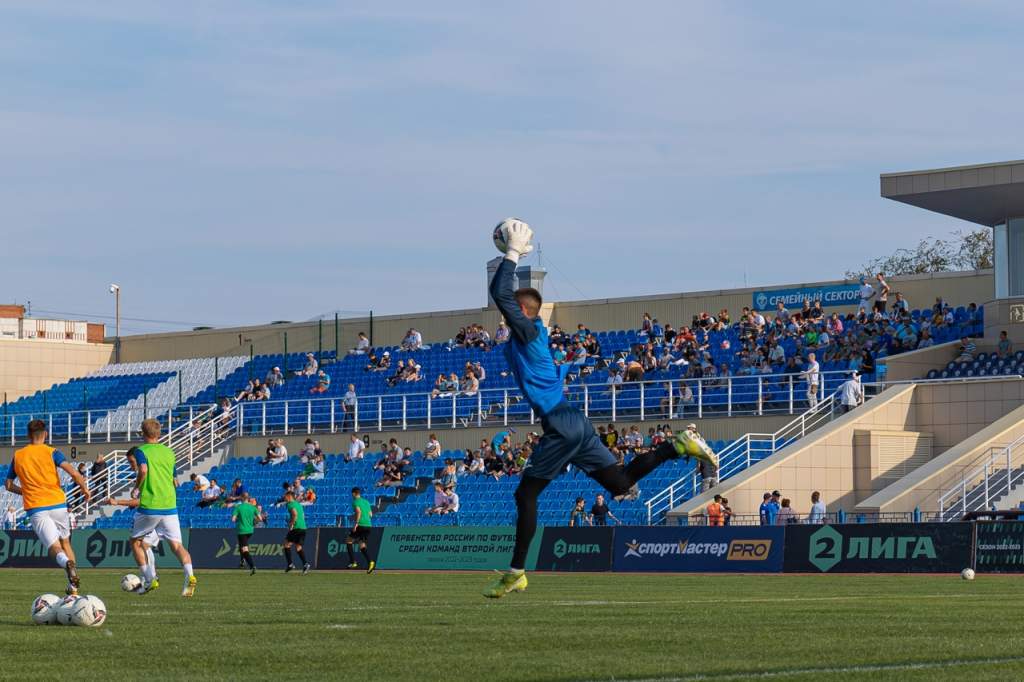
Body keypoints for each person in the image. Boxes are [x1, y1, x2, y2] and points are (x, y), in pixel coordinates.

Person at [482, 220, 715, 599]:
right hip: (573, 420)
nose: (504, 317)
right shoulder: (529, 337)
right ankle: (676, 447)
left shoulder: (529, 331)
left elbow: (500, 295)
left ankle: (516, 572)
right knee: (620, 483)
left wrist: (510, 254)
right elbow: (505, 301)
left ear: (524, 311)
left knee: (525, 497)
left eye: (512, 312)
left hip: (560, 422)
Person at [5, 419, 90, 595]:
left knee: (54, 547)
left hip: (36, 507)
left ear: (28, 436)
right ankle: (74, 588)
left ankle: (66, 564)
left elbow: (8, 485)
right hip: (58, 503)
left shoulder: (18, 455)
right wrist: (84, 489)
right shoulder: (53, 452)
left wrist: (25, 492)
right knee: (66, 542)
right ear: (46, 434)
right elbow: (74, 473)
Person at [129, 419, 196, 597]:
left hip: (151, 504)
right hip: (170, 506)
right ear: (159, 434)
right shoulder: (169, 452)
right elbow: (175, 481)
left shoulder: (141, 451)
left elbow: (143, 470)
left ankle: (150, 579)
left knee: (135, 543)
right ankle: (190, 575)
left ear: (143, 433)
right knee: (177, 546)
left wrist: (136, 488)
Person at [346, 487, 376, 573]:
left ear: (354, 493)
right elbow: (370, 514)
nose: (352, 495)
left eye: (352, 494)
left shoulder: (355, 502)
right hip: (368, 525)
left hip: (361, 525)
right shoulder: (366, 502)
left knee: (348, 541)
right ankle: (370, 562)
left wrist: (356, 524)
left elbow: (358, 512)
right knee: (361, 544)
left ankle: (353, 562)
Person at [282, 490, 310, 574]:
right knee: (298, 547)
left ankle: (290, 564)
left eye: (285, 496)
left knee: (286, 544)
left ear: (289, 496)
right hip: (303, 527)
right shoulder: (298, 504)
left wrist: (291, 524)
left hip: (296, 527)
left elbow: (294, 514)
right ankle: (305, 564)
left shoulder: (290, 504)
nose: (284, 498)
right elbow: (302, 515)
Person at [231, 493, 259, 575]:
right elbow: (260, 518)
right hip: (250, 530)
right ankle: (242, 561)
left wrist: (239, 519)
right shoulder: (253, 507)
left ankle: (252, 566)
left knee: (244, 549)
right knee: (241, 545)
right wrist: (252, 522)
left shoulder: (238, 507)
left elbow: (233, 519)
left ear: (242, 498)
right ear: (248, 498)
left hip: (242, 530)